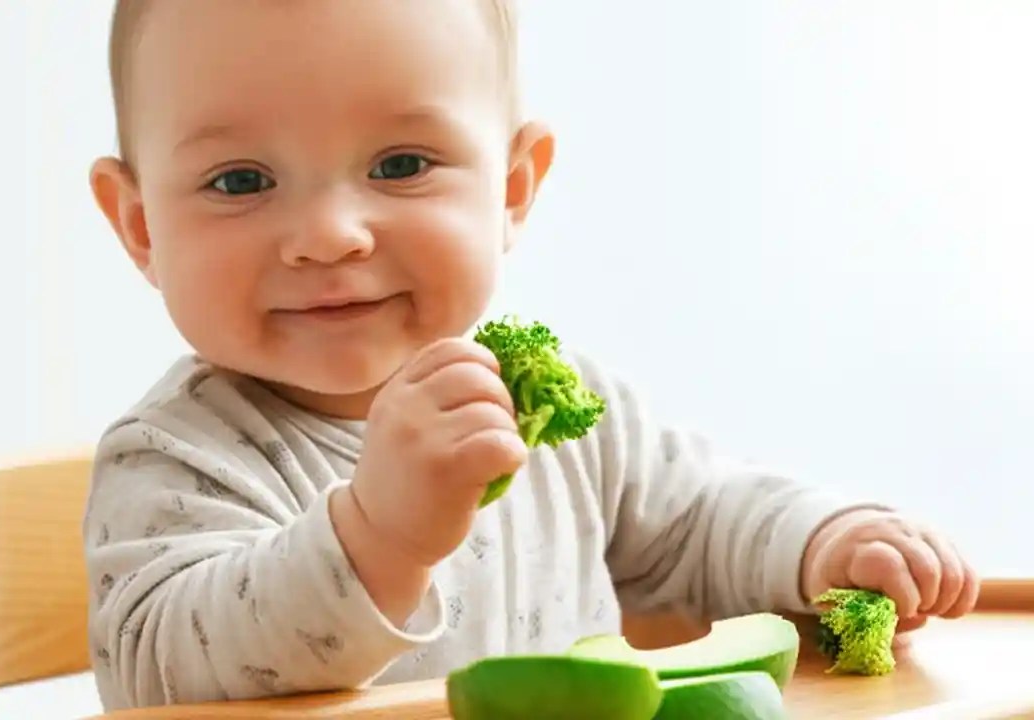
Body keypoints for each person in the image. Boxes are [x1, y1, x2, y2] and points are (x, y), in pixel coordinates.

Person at [81, 0, 979, 710]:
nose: (330, 235)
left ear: (512, 189)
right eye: (241, 181)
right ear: (140, 225)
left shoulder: (549, 407)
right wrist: (381, 535)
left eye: (400, 164)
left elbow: (699, 522)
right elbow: (168, 675)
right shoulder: (174, 462)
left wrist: (823, 542)